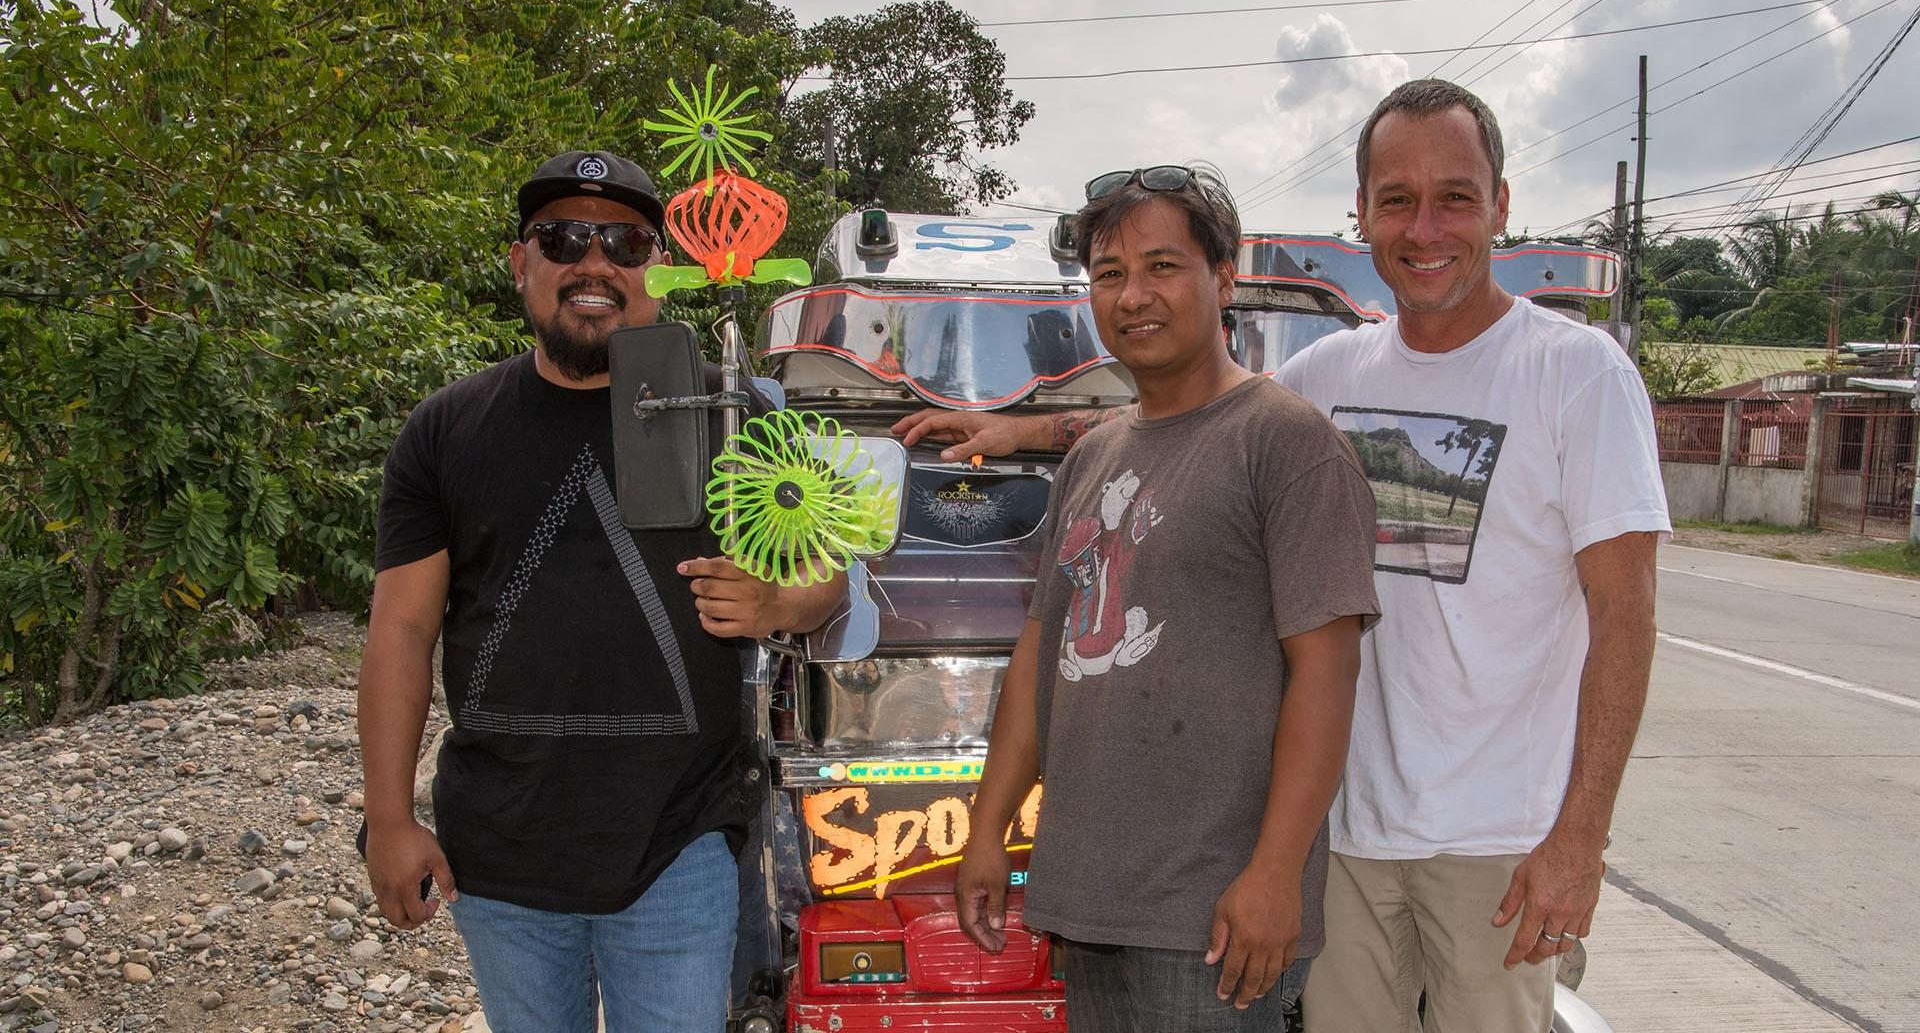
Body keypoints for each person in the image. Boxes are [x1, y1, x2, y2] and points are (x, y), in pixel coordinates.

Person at [909, 81, 1670, 1032]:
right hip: (1341, 833)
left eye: (1455, 197)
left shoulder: (1576, 372)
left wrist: (1581, 838)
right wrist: (1019, 427)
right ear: (1361, 216)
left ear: (1502, 206)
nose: (1423, 226)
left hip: (1494, 841)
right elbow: (1186, 419)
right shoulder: (1332, 373)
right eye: (1396, 199)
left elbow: (1626, 623)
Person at [356, 150, 845, 1033]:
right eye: (564, 237)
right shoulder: (444, 429)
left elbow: (830, 577)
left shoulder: (731, 409)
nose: (595, 263)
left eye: (623, 241)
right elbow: (400, 629)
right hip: (498, 854)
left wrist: (778, 605)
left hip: (679, 846)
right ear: (521, 262)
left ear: (658, 267)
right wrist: (387, 818)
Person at [951, 163, 1379, 1031]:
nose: (1133, 295)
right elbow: (1044, 651)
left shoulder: (1286, 443)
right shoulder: (1093, 457)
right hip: (1090, 896)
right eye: (1109, 275)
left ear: (1224, 278)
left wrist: (1273, 875)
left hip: (1215, 916)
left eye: (1162, 266)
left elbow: (1326, 677)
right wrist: (988, 827)